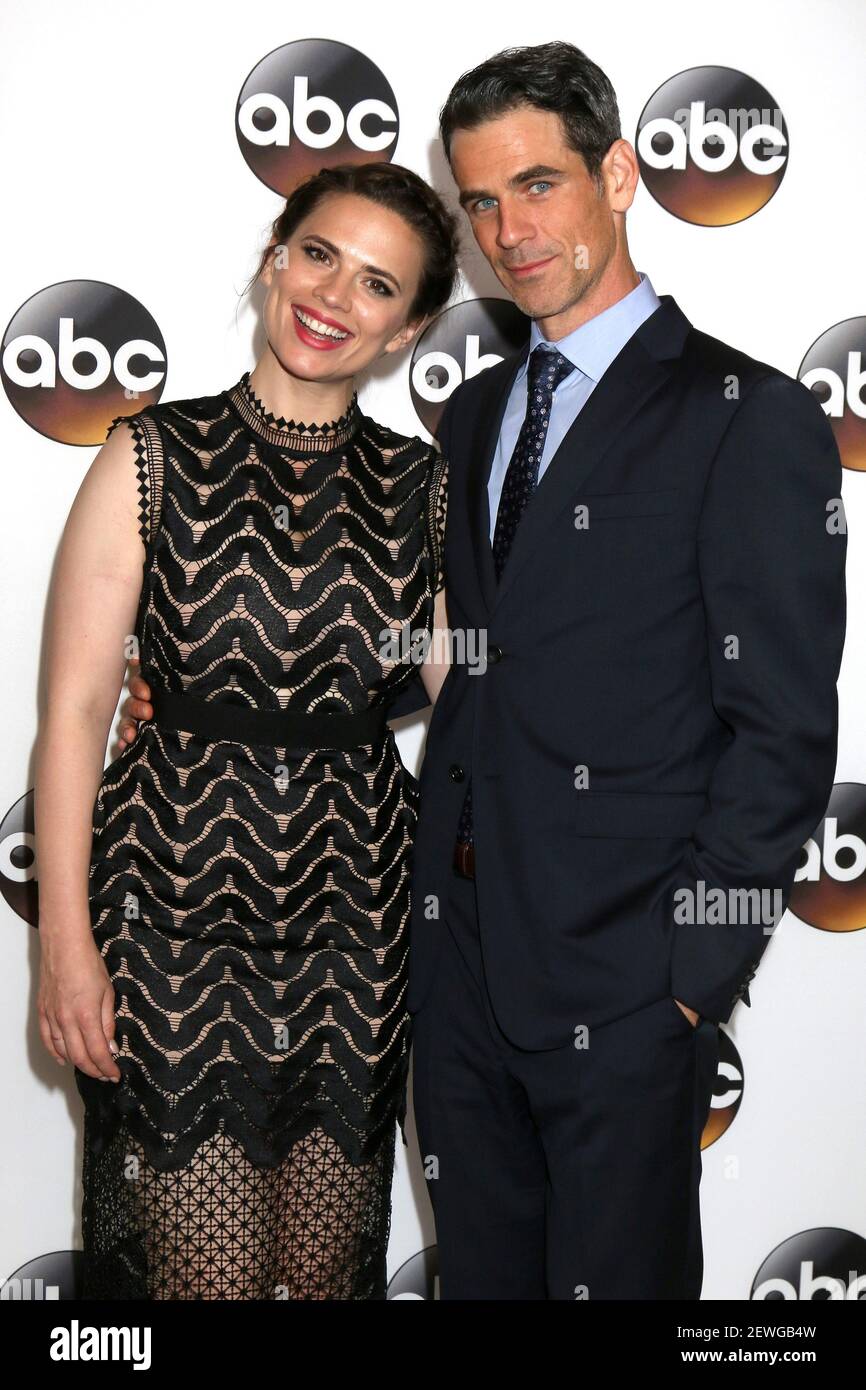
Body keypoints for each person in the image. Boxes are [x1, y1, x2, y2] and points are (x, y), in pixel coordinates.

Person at [403, 41, 846, 1299]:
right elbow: (474, 656)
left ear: (619, 171)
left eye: (537, 185)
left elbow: (779, 733)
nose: (507, 229)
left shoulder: (745, 415)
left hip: (629, 981)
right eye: (480, 201)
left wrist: (686, 987)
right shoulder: (481, 414)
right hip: (460, 958)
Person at [34, 160, 457, 1300]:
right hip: (168, 929)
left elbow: (475, 689)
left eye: (378, 285)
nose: (332, 296)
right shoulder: (148, 456)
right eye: (318, 254)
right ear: (275, 259)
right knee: (200, 1289)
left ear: (407, 327)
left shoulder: (425, 489)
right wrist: (65, 947)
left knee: (324, 1282)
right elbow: (75, 712)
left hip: (357, 934)